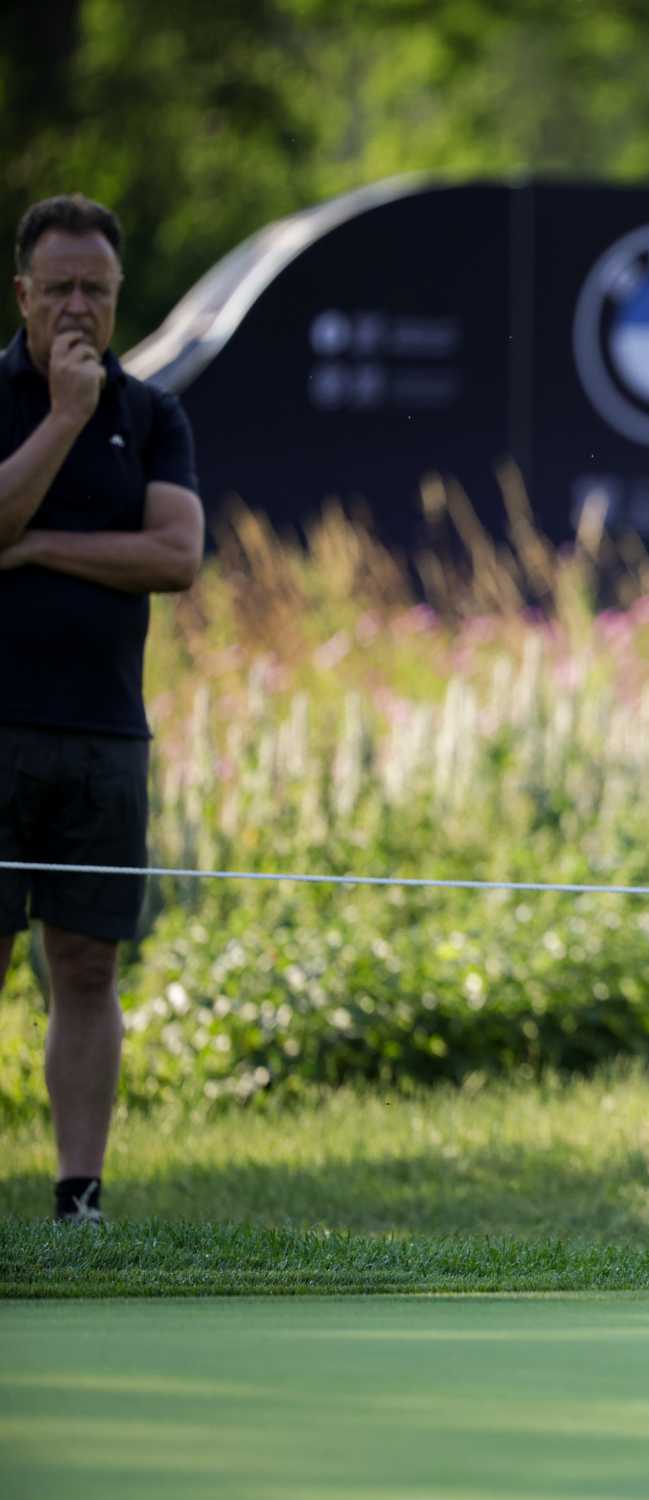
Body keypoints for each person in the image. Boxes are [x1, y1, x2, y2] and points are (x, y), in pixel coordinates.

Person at [1, 194, 203, 1219]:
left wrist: (36, 549)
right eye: (62, 287)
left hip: (103, 736)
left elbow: (176, 555)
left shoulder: (154, 413)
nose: (79, 306)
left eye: (99, 289)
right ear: (24, 293)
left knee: (85, 964)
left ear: (121, 297)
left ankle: (78, 1195)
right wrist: (63, 417)